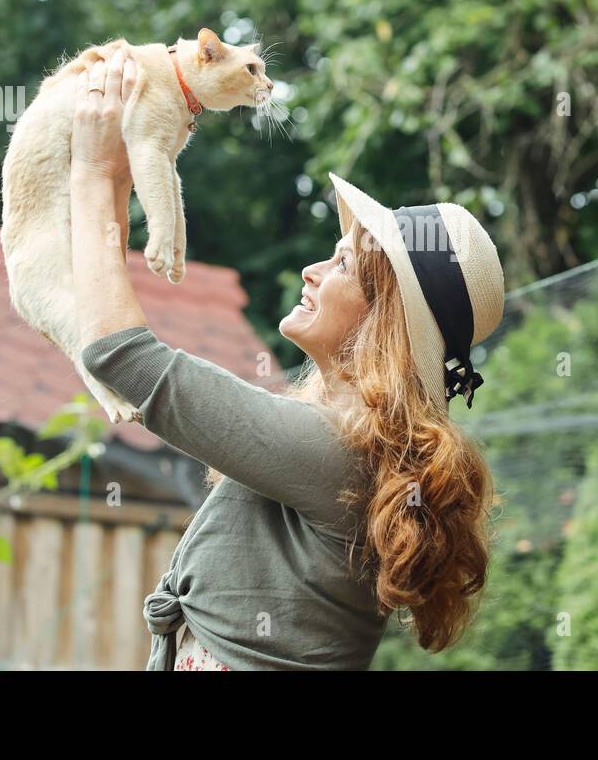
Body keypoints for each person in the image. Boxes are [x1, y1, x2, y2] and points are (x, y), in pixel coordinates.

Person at [69, 48, 507, 670]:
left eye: (344, 265)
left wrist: (89, 173)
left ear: (384, 319)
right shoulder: (365, 446)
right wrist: (118, 174)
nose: (312, 270)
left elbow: (124, 360)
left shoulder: (334, 450)